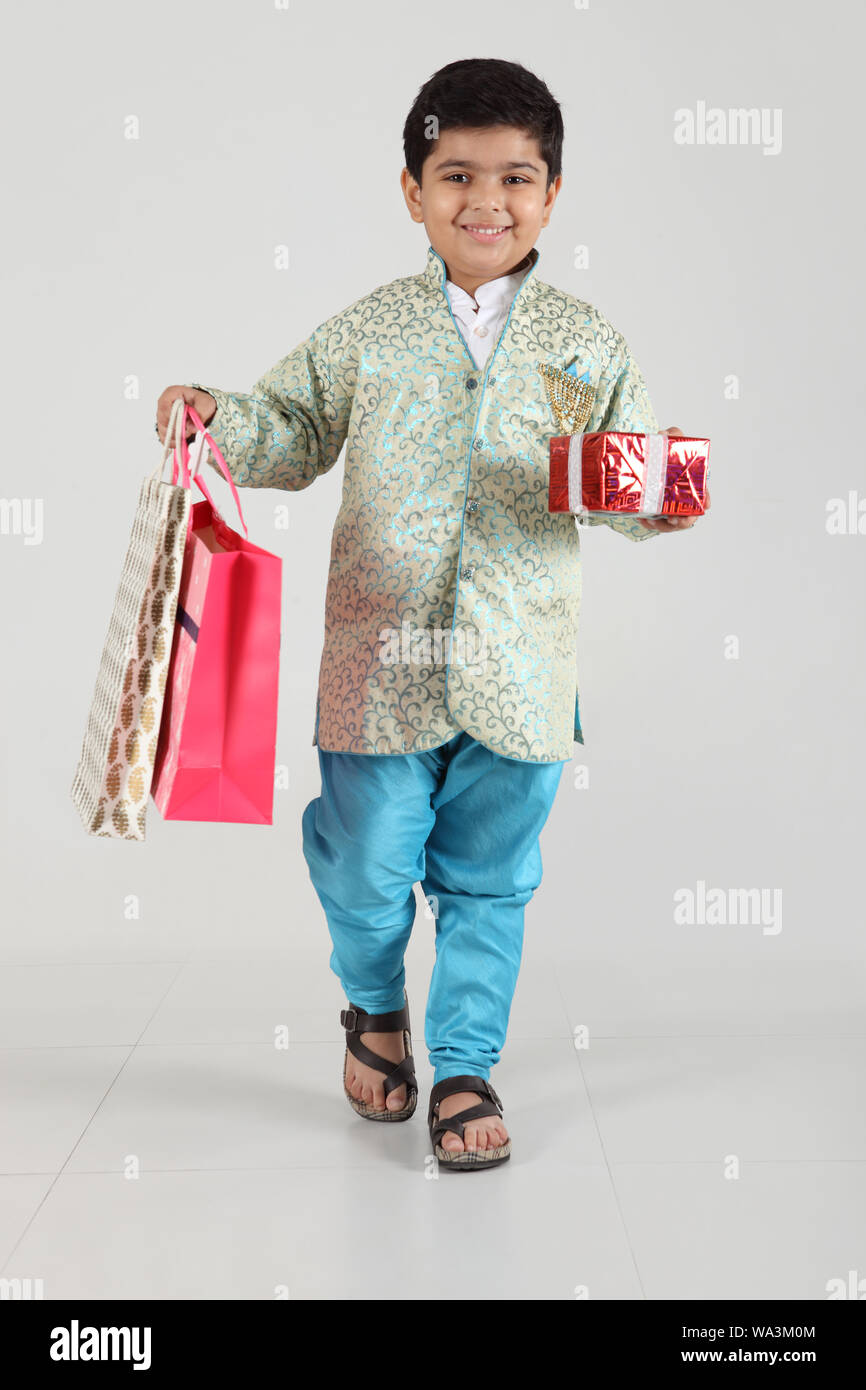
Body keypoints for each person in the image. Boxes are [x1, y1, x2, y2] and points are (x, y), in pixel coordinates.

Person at [156, 57, 709, 1172]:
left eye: (515, 176)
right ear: (411, 190)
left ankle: (463, 1064)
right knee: (364, 861)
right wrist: (216, 414)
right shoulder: (367, 330)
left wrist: (659, 502)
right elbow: (288, 424)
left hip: (521, 667)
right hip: (376, 662)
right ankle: (371, 1005)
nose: (485, 201)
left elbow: (635, 482)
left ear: (551, 193)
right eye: (455, 174)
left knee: (488, 877)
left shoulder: (587, 342)